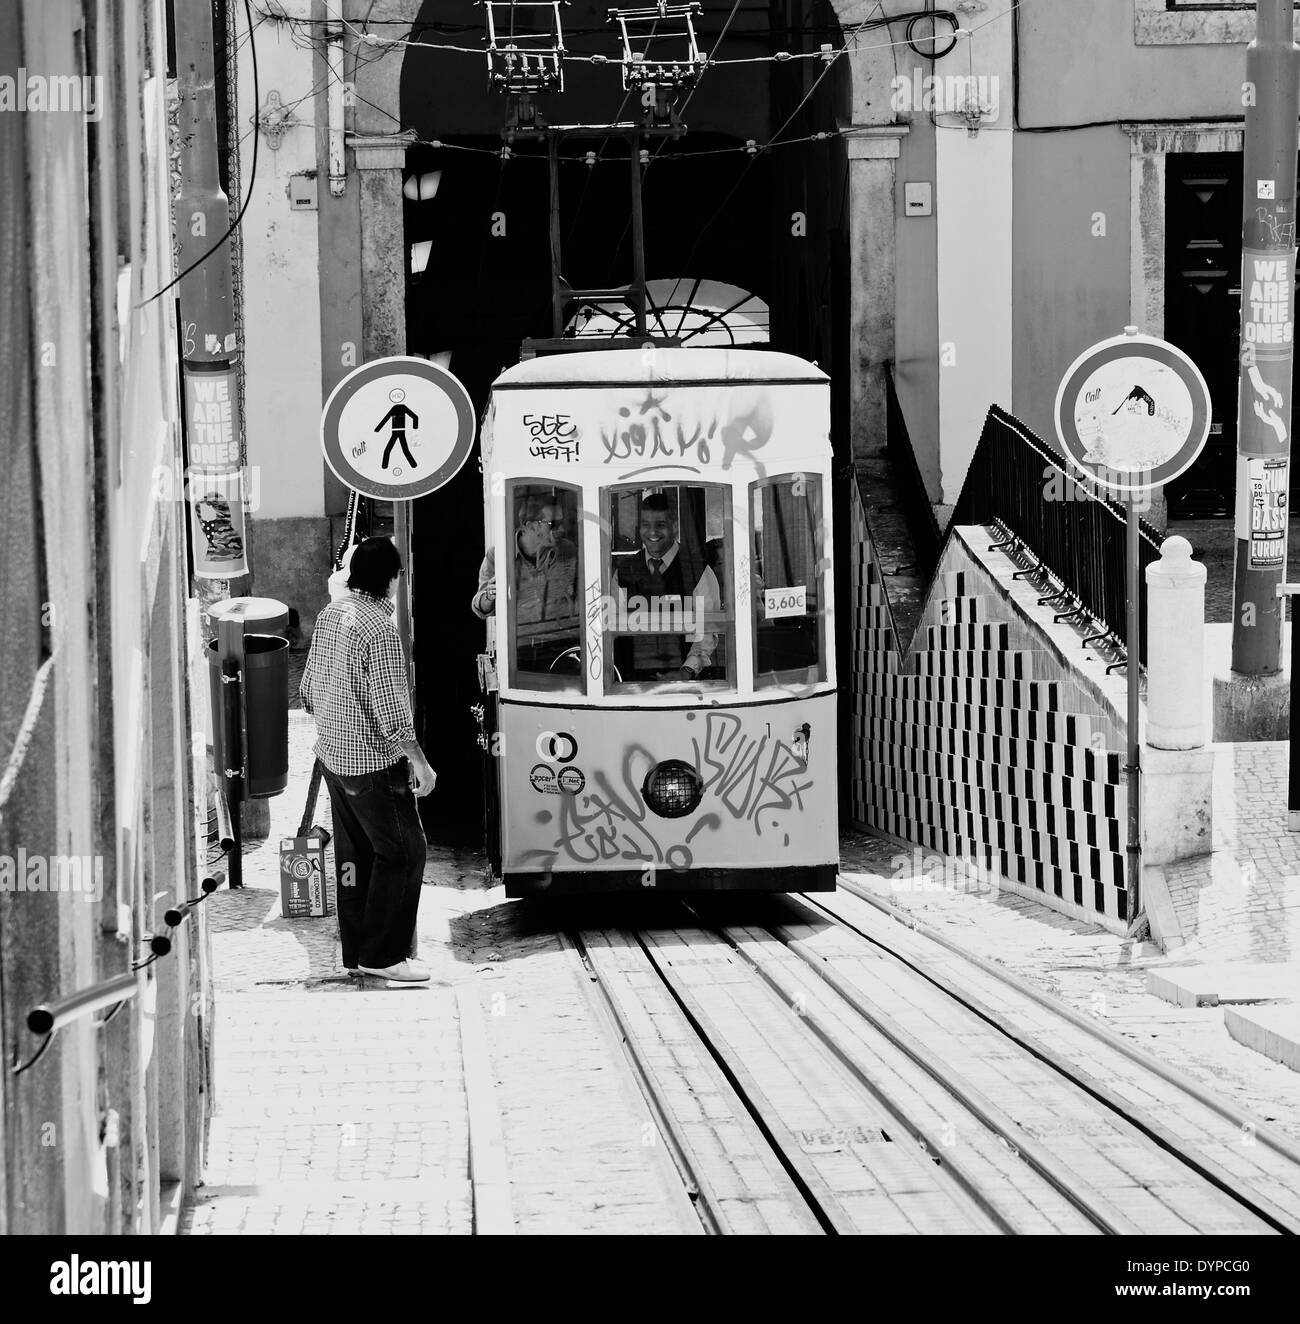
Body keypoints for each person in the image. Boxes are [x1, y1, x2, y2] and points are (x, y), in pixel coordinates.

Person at [300, 537, 436, 983]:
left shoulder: (330, 613)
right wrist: (419, 761)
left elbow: (306, 689)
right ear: (393, 579)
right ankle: (383, 957)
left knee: (355, 858)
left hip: (333, 759)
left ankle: (357, 953)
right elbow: (391, 709)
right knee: (403, 853)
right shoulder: (379, 629)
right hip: (372, 764)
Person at [611, 493, 721, 682]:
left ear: (675, 526)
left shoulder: (698, 569)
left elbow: (708, 629)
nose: (652, 532)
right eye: (645, 525)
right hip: (631, 682)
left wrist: (686, 671)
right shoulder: (624, 571)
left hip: (686, 683)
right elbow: (611, 627)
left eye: (660, 525)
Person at [472, 494, 579, 671]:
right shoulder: (498, 555)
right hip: (518, 653)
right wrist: (490, 595)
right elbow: (480, 607)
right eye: (553, 524)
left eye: (563, 522)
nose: (561, 529)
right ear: (530, 526)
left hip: (561, 648)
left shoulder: (567, 550)